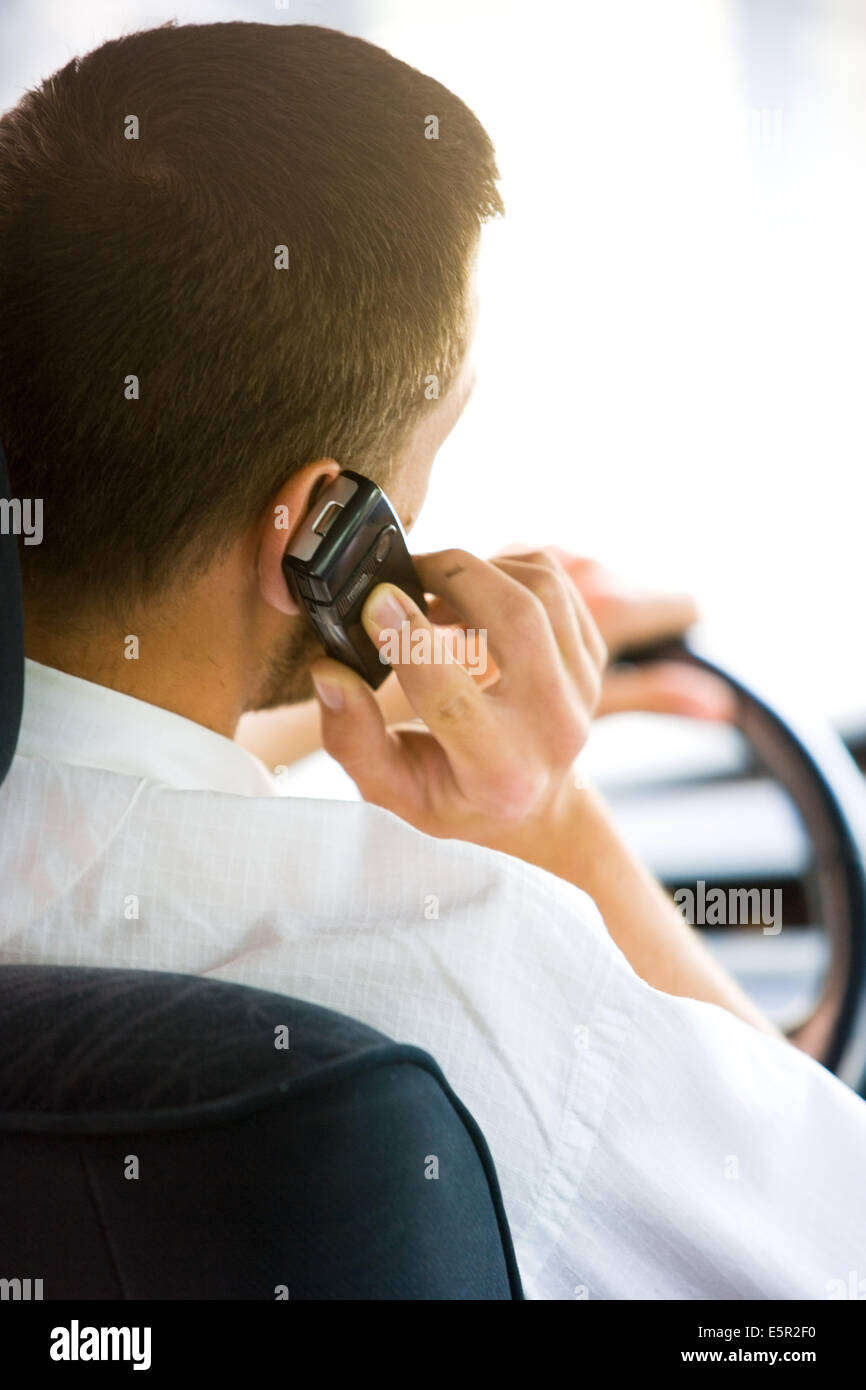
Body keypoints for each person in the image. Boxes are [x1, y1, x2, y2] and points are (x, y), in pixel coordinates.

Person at [1, 20, 864, 1300]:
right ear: (315, 533)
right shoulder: (464, 967)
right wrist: (551, 821)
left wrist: (281, 715)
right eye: (436, 429)